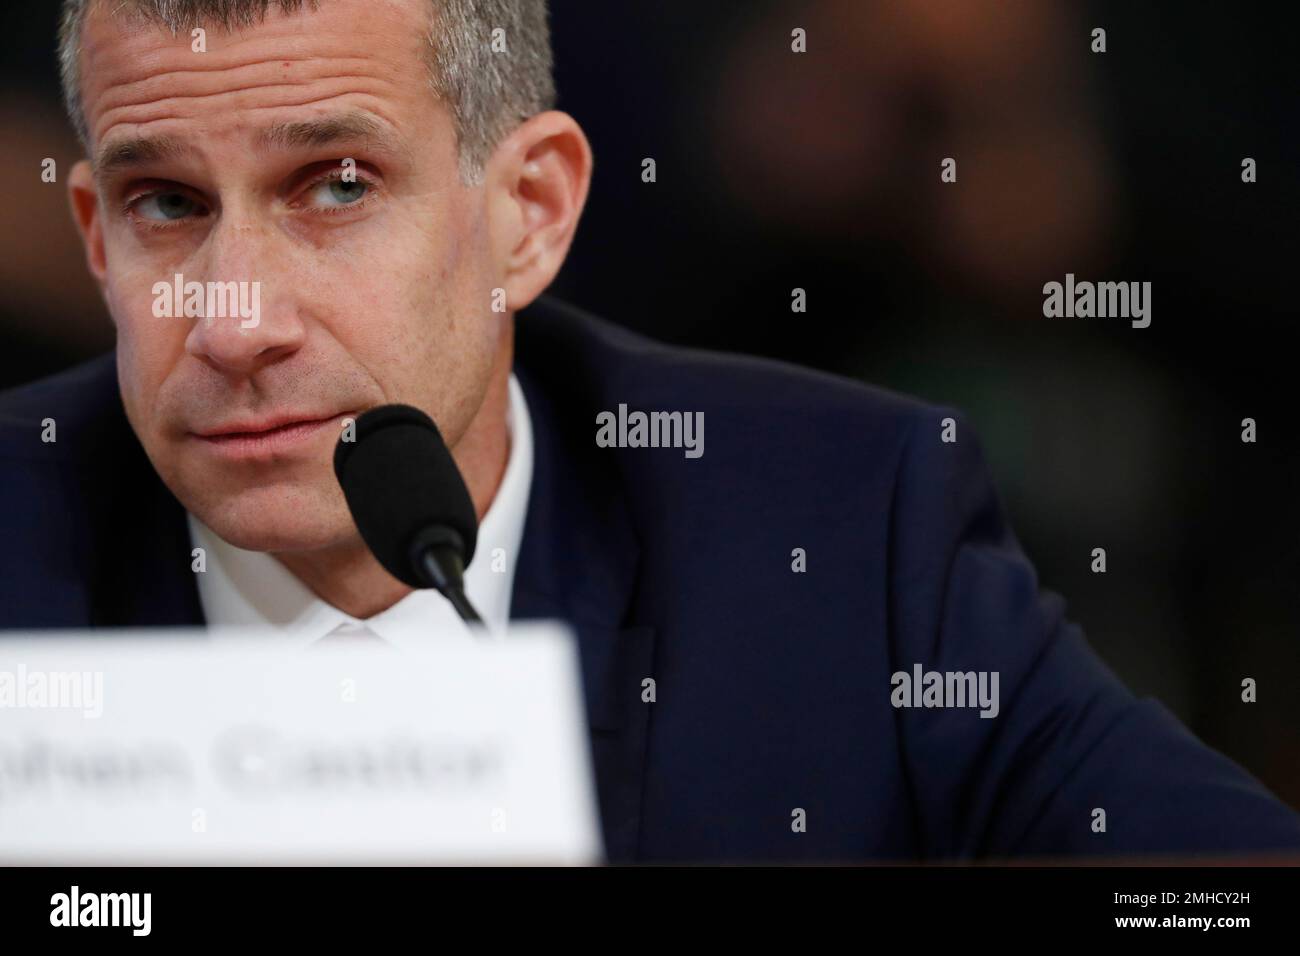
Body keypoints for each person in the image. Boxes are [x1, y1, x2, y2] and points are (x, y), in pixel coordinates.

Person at [2, 0, 1297, 863]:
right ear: (94, 239)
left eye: (336, 187)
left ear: (529, 214)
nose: (236, 325)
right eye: (165, 203)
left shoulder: (839, 530)